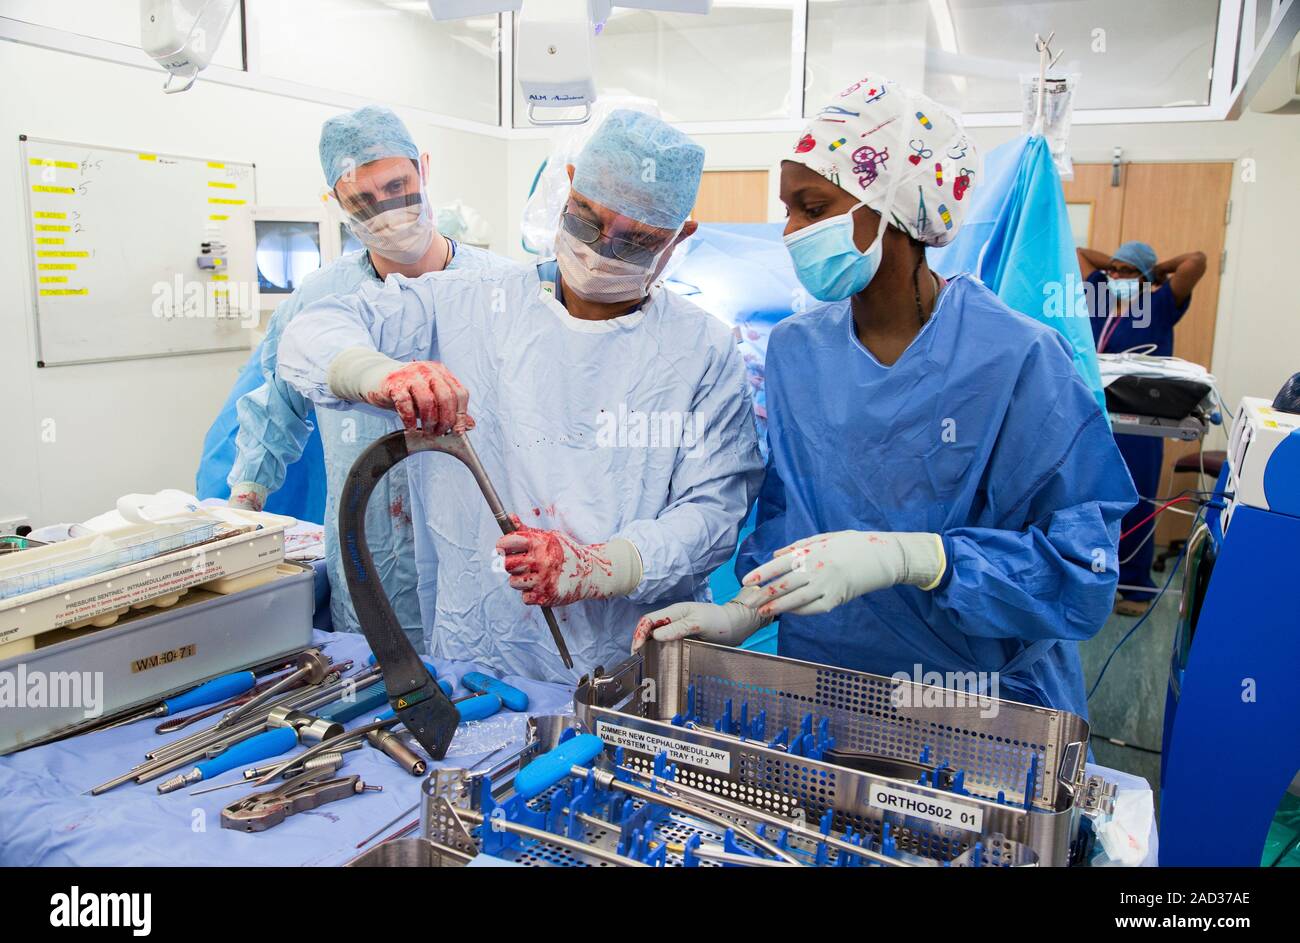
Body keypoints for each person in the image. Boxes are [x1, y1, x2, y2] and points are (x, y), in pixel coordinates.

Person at [632, 76, 1137, 718]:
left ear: (895, 207)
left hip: (975, 704)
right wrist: (742, 608)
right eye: (786, 209)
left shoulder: (1017, 359)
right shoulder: (796, 352)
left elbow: (1079, 569)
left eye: (812, 208)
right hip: (824, 691)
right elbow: (790, 520)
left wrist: (918, 558)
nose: (789, 232)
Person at [277, 109, 764, 682]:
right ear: (570, 189)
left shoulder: (701, 348)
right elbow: (312, 333)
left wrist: (602, 567)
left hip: (628, 655)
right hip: (481, 651)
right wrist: (376, 373)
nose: (600, 250)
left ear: (679, 238)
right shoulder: (466, 304)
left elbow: (714, 509)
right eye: (585, 221)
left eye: (635, 242)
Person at [227, 105, 494, 648]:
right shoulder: (320, 299)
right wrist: (242, 508)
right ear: (337, 204)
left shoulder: (502, 288)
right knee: (378, 685)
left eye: (398, 186)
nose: (388, 211)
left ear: (424, 167)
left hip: (477, 548)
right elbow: (276, 405)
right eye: (363, 202)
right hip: (368, 549)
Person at [1078, 242, 1207, 615]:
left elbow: (1195, 259)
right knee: (1090, 502)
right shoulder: (1097, 299)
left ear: (1146, 278)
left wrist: (1153, 271)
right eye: (1113, 271)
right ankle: (1092, 581)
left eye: (1126, 272)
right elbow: (1081, 252)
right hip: (1097, 416)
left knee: (1135, 499)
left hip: (1141, 424)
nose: (1115, 277)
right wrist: (1121, 267)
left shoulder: (1159, 304)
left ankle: (1136, 589)